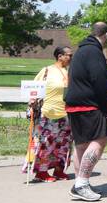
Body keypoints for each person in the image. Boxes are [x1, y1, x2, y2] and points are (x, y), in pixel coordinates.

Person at [64, 21, 107, 202]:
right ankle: (82, 184)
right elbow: (100, 80)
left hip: (74, 104)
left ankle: (79, 183)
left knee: (82, 145)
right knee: (100, 139)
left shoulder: (80, 51)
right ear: (106, 35)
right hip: (88, 105)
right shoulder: (94, 52)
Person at [28, 45, 73, 182]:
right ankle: (42, 172)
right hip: (47, 113)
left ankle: (59, 170)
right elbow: (34, 88)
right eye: (69, 55)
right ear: (60, 56)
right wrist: (32, 101)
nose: (71, 58)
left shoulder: (69, 72)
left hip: (65, 114)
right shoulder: (47, 71)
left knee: (64, 144)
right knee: (46, 144)